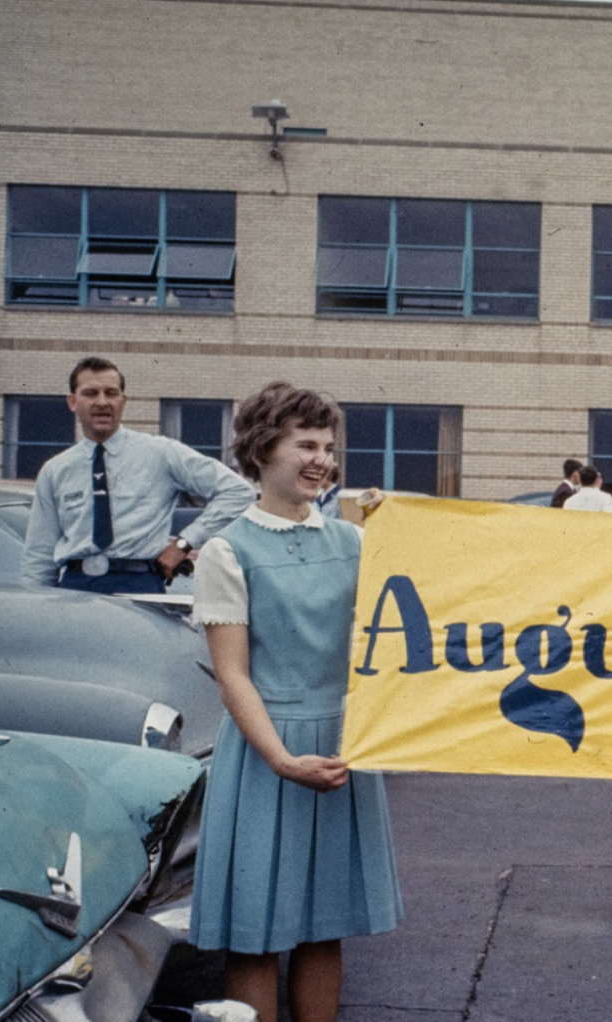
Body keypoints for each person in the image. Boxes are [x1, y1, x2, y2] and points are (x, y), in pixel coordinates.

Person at [189, 382, 402, 1022]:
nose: (322, 461)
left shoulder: (356, 541)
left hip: (340, 741)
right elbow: (233, 677)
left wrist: (405, 534)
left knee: (322, 922)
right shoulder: (228, 550)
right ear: (260, 451)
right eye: (305, 445)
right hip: (267, 750)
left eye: (329, 448)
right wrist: (282, 759)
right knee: (255, 932)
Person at [21, 356, 254, 593]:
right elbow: (39, 554)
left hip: (139, 585)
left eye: (111, 393)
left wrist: (183, 544)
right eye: (90, 393)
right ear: (72, 402)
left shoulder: (160, 453)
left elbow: (237, 491)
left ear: (123, 401)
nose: (102, 402)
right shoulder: (55, 470)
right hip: (75, 587)